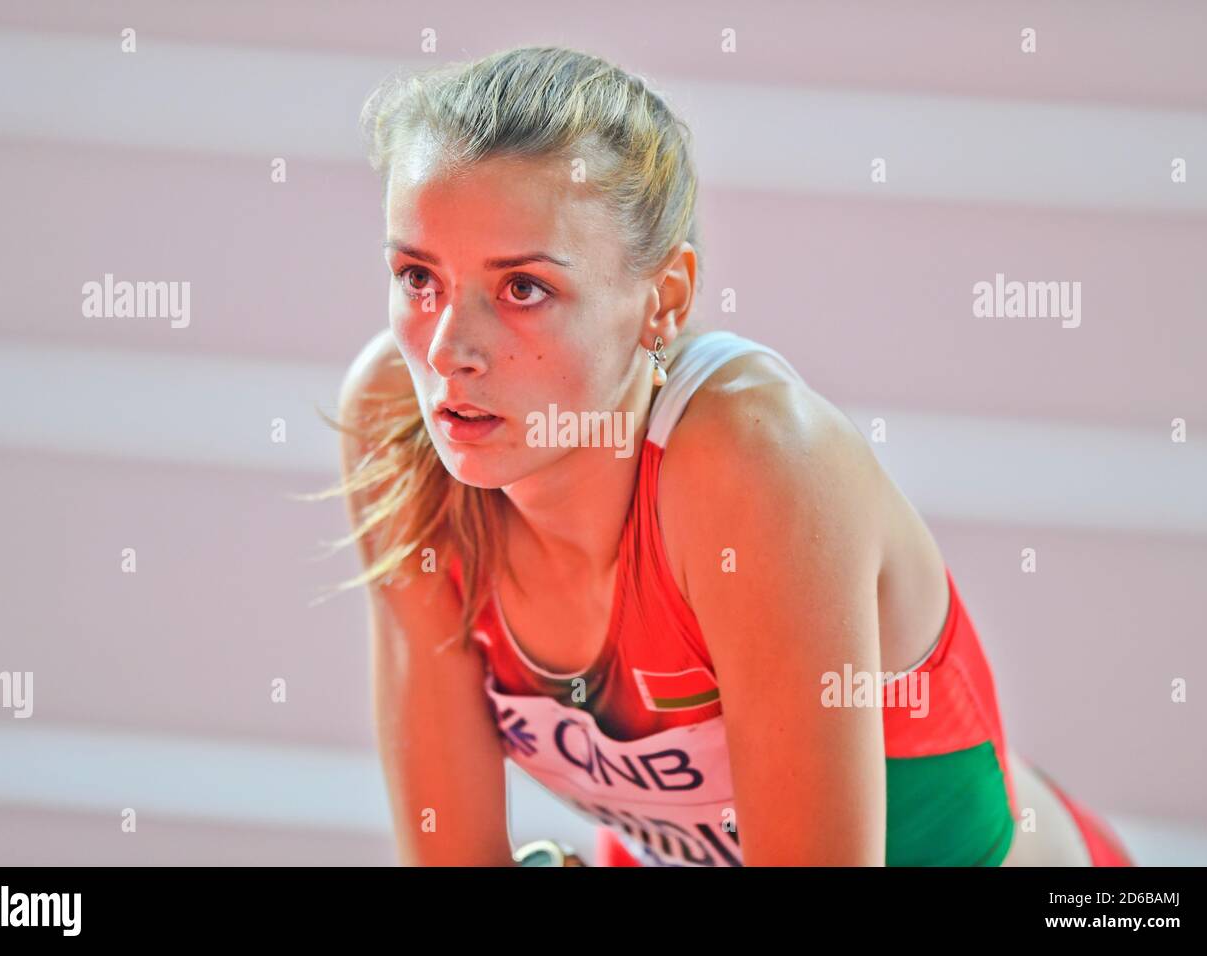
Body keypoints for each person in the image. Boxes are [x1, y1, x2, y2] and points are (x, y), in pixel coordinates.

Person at [320, 45, 1134, 867]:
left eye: (523, 288)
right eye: (418, 277)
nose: (451, 347)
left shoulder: (755, 460)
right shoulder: (395, 421)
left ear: (663, 300)